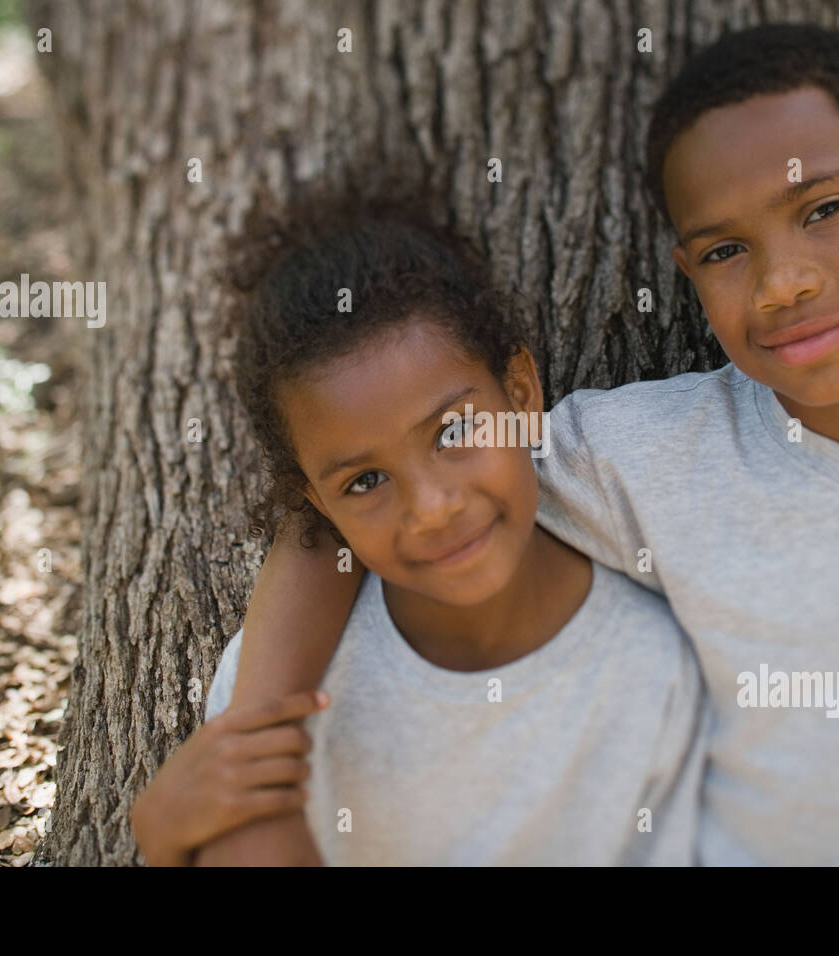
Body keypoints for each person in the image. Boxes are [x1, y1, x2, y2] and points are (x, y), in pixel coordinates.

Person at [209, 23, 839, 866]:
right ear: (687, 272)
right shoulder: (649, 456)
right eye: (727, 251)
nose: (782, 283)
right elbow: (343, 500)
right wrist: (252, 758)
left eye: (823, 209)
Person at [132, 201, 710, 866]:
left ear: (521, 394)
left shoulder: (653, 672)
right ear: (314, 501)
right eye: (365, 482)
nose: (432, 508)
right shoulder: (277, 687)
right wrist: (163, 844)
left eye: (455, 431)